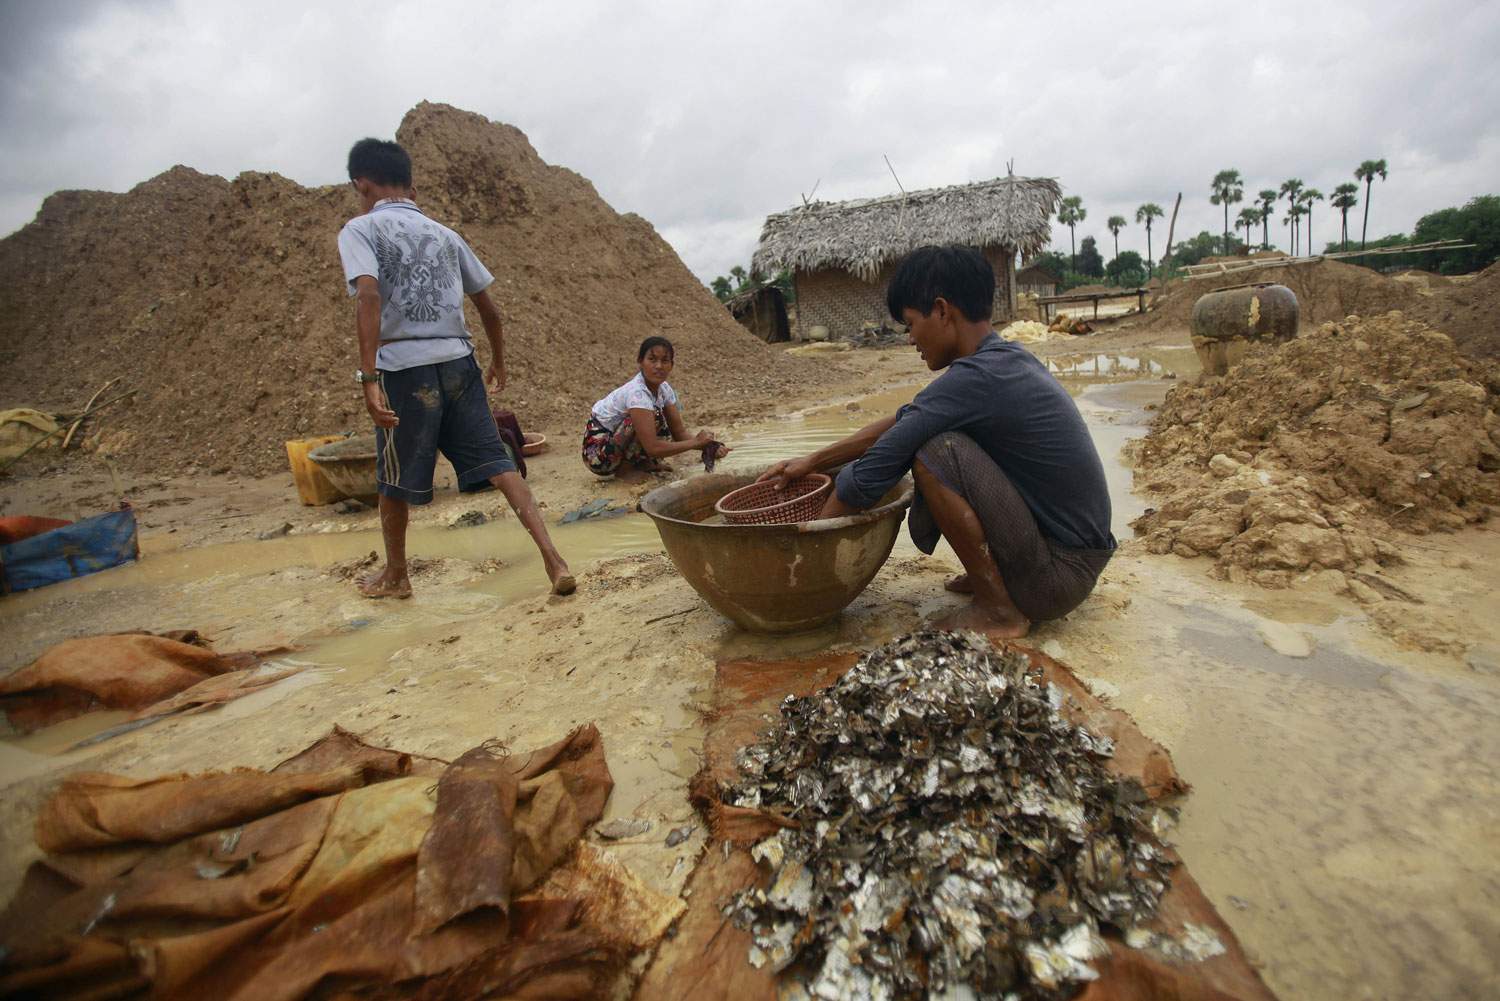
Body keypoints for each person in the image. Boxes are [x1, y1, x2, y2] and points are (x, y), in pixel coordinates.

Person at [759, 245, 1115, 636]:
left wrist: (808, 558)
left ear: (943, 311)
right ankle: (997, 575)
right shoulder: (1002, 360)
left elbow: (872, 471)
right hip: (1072, 564)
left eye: (910, 324)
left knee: (936, 450)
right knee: (929, 431)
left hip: (1057, 579)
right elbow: (905, 418)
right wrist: (813, 460)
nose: (910, 339)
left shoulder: (977, 378)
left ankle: (1000, 608)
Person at [337, 137, 574, 599]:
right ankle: (554, 559)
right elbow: (489, 308)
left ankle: (397, 576)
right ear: (410, 183)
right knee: (499, 464)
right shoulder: (446, 235)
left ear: (361, 184)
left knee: (393, 477)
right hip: (459, 363)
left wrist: (368, 378)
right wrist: (497, 361)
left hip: (404, 368)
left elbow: (367, 294)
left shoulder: (360, 230)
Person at [582, 337, 729, 476]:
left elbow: (679, 433)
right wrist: (696, 442)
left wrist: (709, 445)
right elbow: (653, 448)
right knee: (651, 417)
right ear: (640, 362)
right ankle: (625, 471)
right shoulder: (637, 393)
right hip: (598, 456)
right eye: (652, 359)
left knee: (658, 419)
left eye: (665, 360)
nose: (658, 366)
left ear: (671, 365)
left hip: (613, 446)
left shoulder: (664, 389)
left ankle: (642, 464)